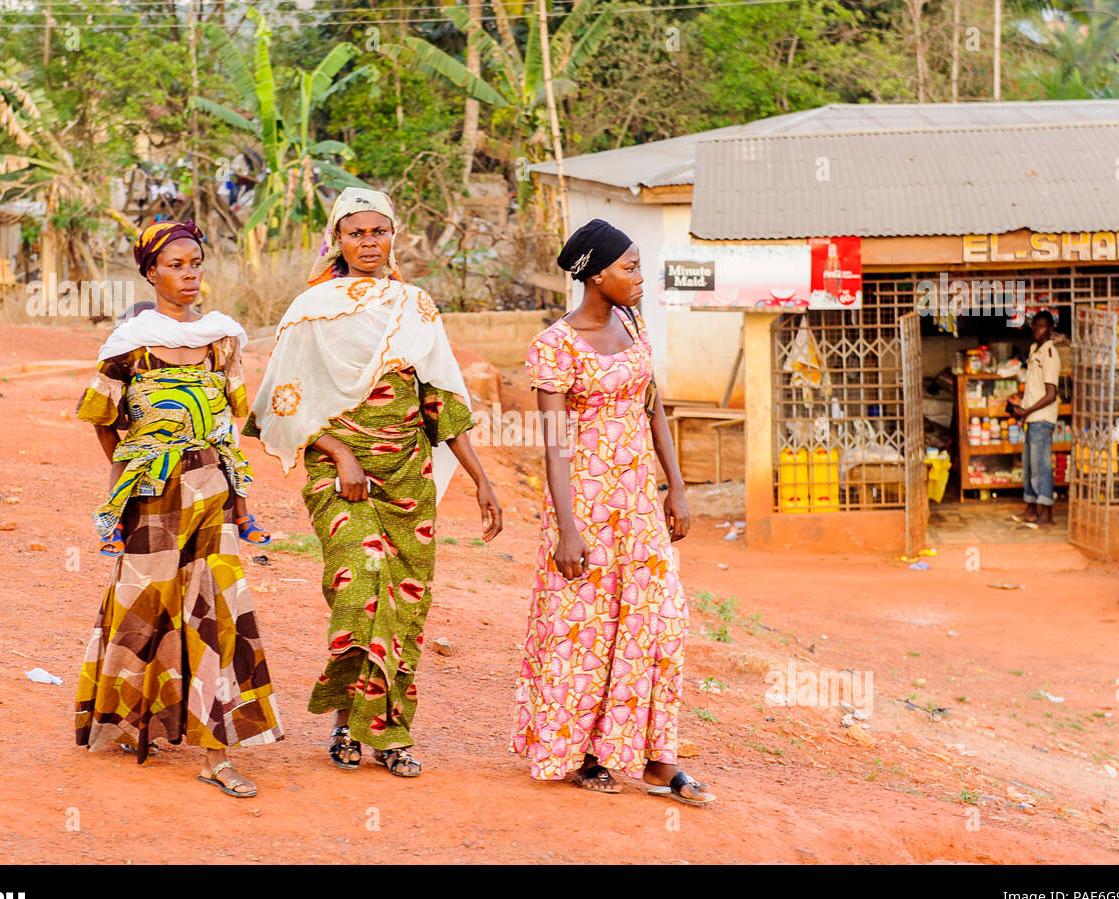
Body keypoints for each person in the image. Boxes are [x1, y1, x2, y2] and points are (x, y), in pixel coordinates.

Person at [245, 187, 503, 778]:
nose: (368, 243)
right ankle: (344, 723)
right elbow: (278, 411)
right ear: (337, 239)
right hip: (340, 476)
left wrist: (481, 481)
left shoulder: (415, 306)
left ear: (394, 237)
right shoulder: (309, 310)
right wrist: (339, 454)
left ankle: (388, 735)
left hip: (408, 476)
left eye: (378, 232)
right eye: (355, 233)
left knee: (405, 605)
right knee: (360, 585)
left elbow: (441, 400)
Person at [74, 219, 282, 797]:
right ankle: (124, 720)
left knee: (213, 612)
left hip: (211, 491)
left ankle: (216, 753)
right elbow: (104, 423)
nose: (188, 276)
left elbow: (227, 430)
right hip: (149, 500)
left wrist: (241, 501)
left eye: (195, 265)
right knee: (142, 606)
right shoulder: (128, 348)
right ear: (149, 273)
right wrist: (126, 488)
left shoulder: (221, 338)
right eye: (174, 266)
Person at [511, 218, 713, 806]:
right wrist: (566, 529)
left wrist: (675, 487)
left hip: (639, 505)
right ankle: (585, 753)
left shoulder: (634, 326)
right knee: (584, 630)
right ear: (596, 275)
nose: (640, 278)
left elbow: (655, 411)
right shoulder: (555, 345)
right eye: (629, 268)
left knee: (659, 625)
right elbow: (554, 443)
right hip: (586, 505)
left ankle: (657, 760)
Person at [1010, 310, 1061, 527]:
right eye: (1035, 325)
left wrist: (1027, 410)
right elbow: (1034, 386)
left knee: (1041, 466)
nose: (1037, 330)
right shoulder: (1034, 350)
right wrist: (1021, 404)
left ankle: (1046, 514)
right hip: (1031, 417)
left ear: (1050, 329)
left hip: (1041, 418)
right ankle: (1031, 510)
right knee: (1030, 466)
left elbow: (1051, 394)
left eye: (1041, 326)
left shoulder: (1050, 354)